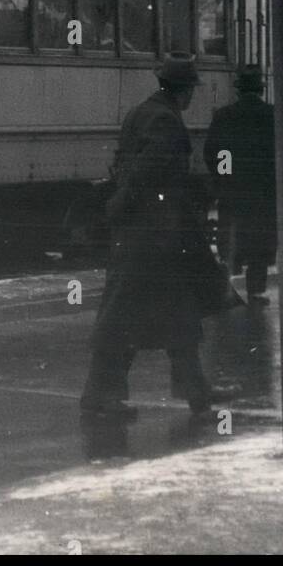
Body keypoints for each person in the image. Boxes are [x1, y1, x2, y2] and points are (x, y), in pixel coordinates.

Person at [80, 53, 232, 421]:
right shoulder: (166, 121)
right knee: (144, 318)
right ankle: (105, 398)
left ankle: (194, 395)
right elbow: (149, 175)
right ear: (184, 91)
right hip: (156, 237)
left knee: (165, 317)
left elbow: (127, 165)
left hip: (143, 235)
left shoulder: (140, 112)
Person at [204, 64, 276, 303]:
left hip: (233, 188)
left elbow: (215, 151)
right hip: (264, 190)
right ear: (261, 90)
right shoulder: (272, 115)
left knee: (233, 239)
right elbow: (282, 153)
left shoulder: (224, 115)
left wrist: (226, 175)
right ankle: (256, 290)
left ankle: (228, 290)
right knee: (260, 243)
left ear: (238, 91)